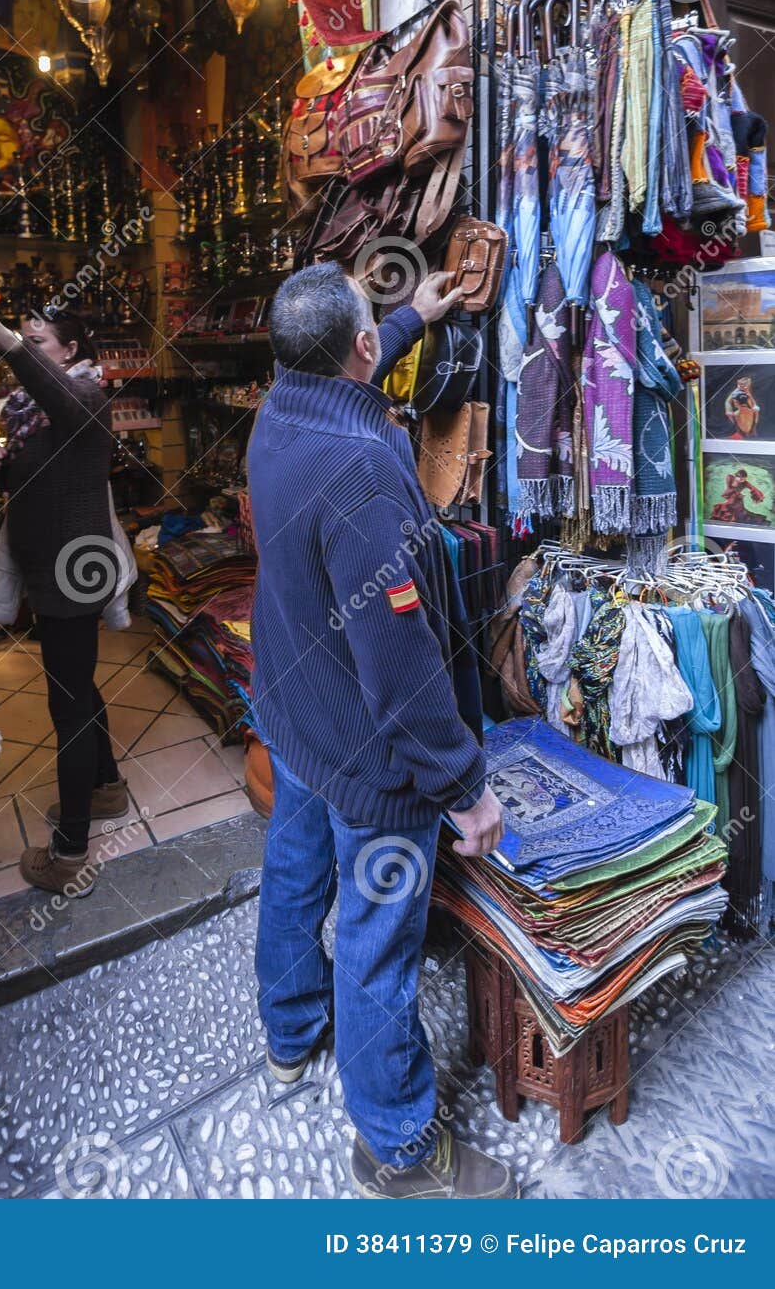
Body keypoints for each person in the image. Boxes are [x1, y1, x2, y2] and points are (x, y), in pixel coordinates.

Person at [246, 262, 515, 1200]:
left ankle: (289, 1038)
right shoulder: (360, 471)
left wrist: (410, 317)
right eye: (375, 328)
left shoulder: (278, 409)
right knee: (375, 945)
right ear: (358, 346)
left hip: (294, 714)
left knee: (292, 878)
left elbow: (342, 360)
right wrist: (463, 789)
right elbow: (399, 665)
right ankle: (397, 1146)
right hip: (366, 756)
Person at [0, 299, 128, 895]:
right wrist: (2, 465)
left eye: (40, 342)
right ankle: (106, 786)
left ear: (71, 351)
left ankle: (70, 853)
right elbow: (37, 482)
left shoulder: (88, 398)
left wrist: (3, 338)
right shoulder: (35, 416)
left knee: (67, 708)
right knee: (78, 684)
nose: (29, 349)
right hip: (51, 573)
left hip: (74, 576)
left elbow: (65, 400)